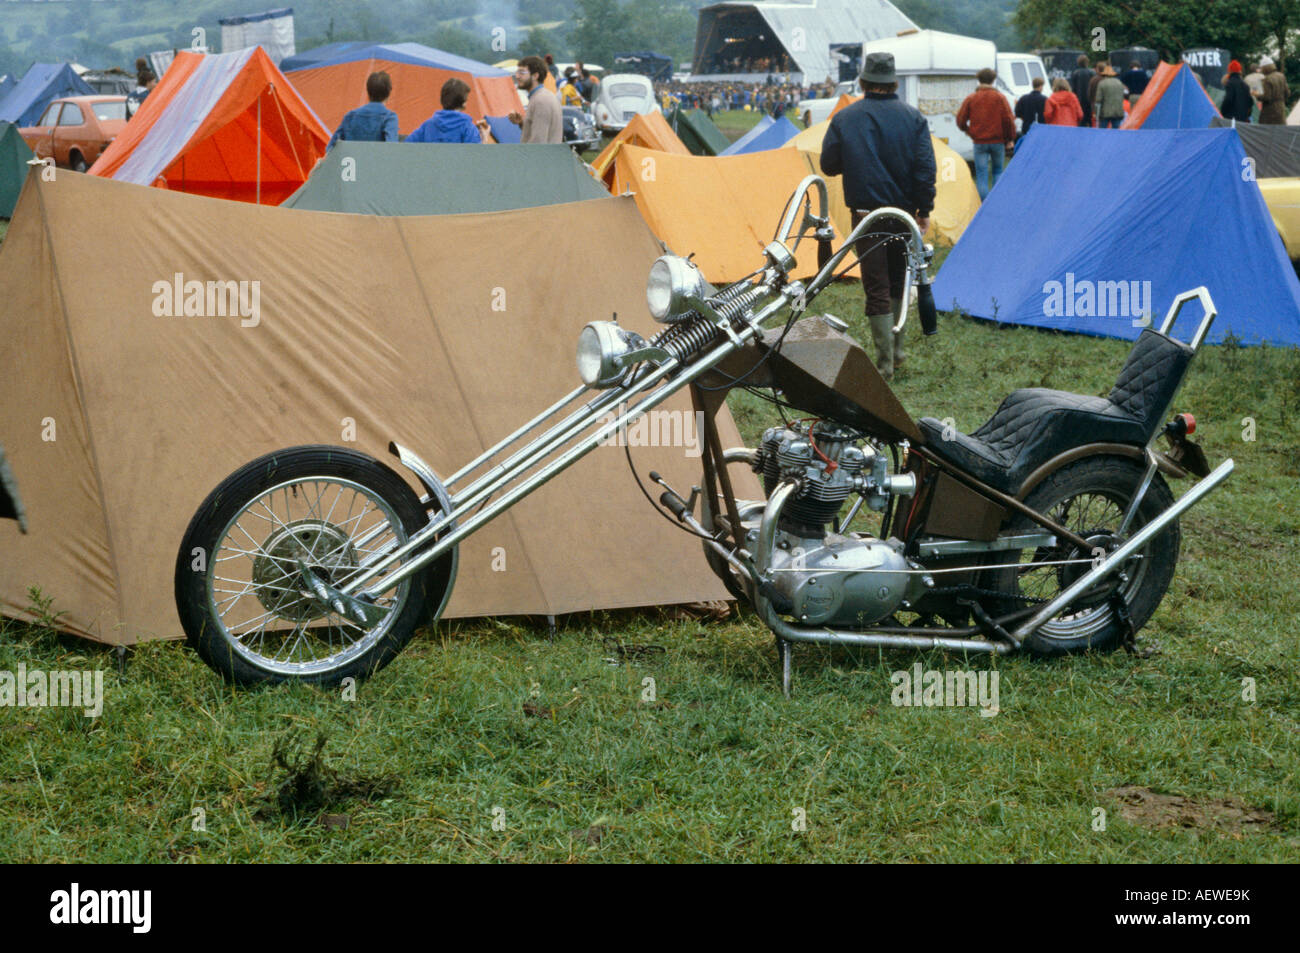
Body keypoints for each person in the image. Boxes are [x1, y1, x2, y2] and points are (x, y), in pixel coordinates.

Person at [820, 52, 936, 381]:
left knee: (877, 286)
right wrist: (923, 210)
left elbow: (829, 165)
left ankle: (883, 364)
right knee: (900, 278)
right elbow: (925, 170)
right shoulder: (914, 118)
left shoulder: (845, 118)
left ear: (862, 81)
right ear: (894, 82)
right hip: (904, 214)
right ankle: (897, 353)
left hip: (866, 214)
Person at [956, 67, 1016, 199]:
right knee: (998, 171)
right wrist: (1010, 139)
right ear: (993, 80)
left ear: (979, 80)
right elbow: (1008, 120)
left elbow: (960, 120)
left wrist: (969, 131)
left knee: (982, 175)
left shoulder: (972, 98)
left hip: (979, 142)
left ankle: (983, 204)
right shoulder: (1000, 98)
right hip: (997, 142)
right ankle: (996, 201)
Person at [328, 71, 399, 149]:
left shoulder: (350, 116)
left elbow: (330, 148)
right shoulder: (390, 118)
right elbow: (392, 148)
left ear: (368, 91)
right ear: (389, 92)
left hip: (352, 160)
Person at [406, 78, 489, 143]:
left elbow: (406, 145)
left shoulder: (427, 126)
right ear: (464, 103)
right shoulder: (468, 128)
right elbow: (475, 158)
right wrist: (484, 139)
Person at [508, 55, 563, 143]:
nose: (517, 76)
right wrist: (522, 123)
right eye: (517, 73)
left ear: (535, 76)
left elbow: (538, 142)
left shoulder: (541, 101)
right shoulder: (543, 96)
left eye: (522, 73)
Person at [1094, 63, 1127, 128]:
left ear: (1104, 75)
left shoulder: (1102, 83)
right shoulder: (1119, 83)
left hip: (1105, 113)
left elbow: (1098, 100)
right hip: (1118, 112)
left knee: (1102, 132)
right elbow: (1124, 95)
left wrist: (1096, 114)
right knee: (1116, 132)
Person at [1258, 56, 1289, 124]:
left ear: (1265, 68)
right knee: (1280, 131)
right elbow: (1287, 93)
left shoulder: (1267, 79)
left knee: (1267, 132)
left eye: (1261, 68)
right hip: (1281, 108)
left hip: (1269, 112)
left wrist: (1257, 95)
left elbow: (1267, 97)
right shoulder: (1281, 76)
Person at [1069, 53, 1096, 126]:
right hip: (1090, 100)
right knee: (1090, 120)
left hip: (1079, 100)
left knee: (1081, 120)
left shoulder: (1075, 73)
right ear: (1087, 62)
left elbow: (1073, 88)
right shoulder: (1092, 72)